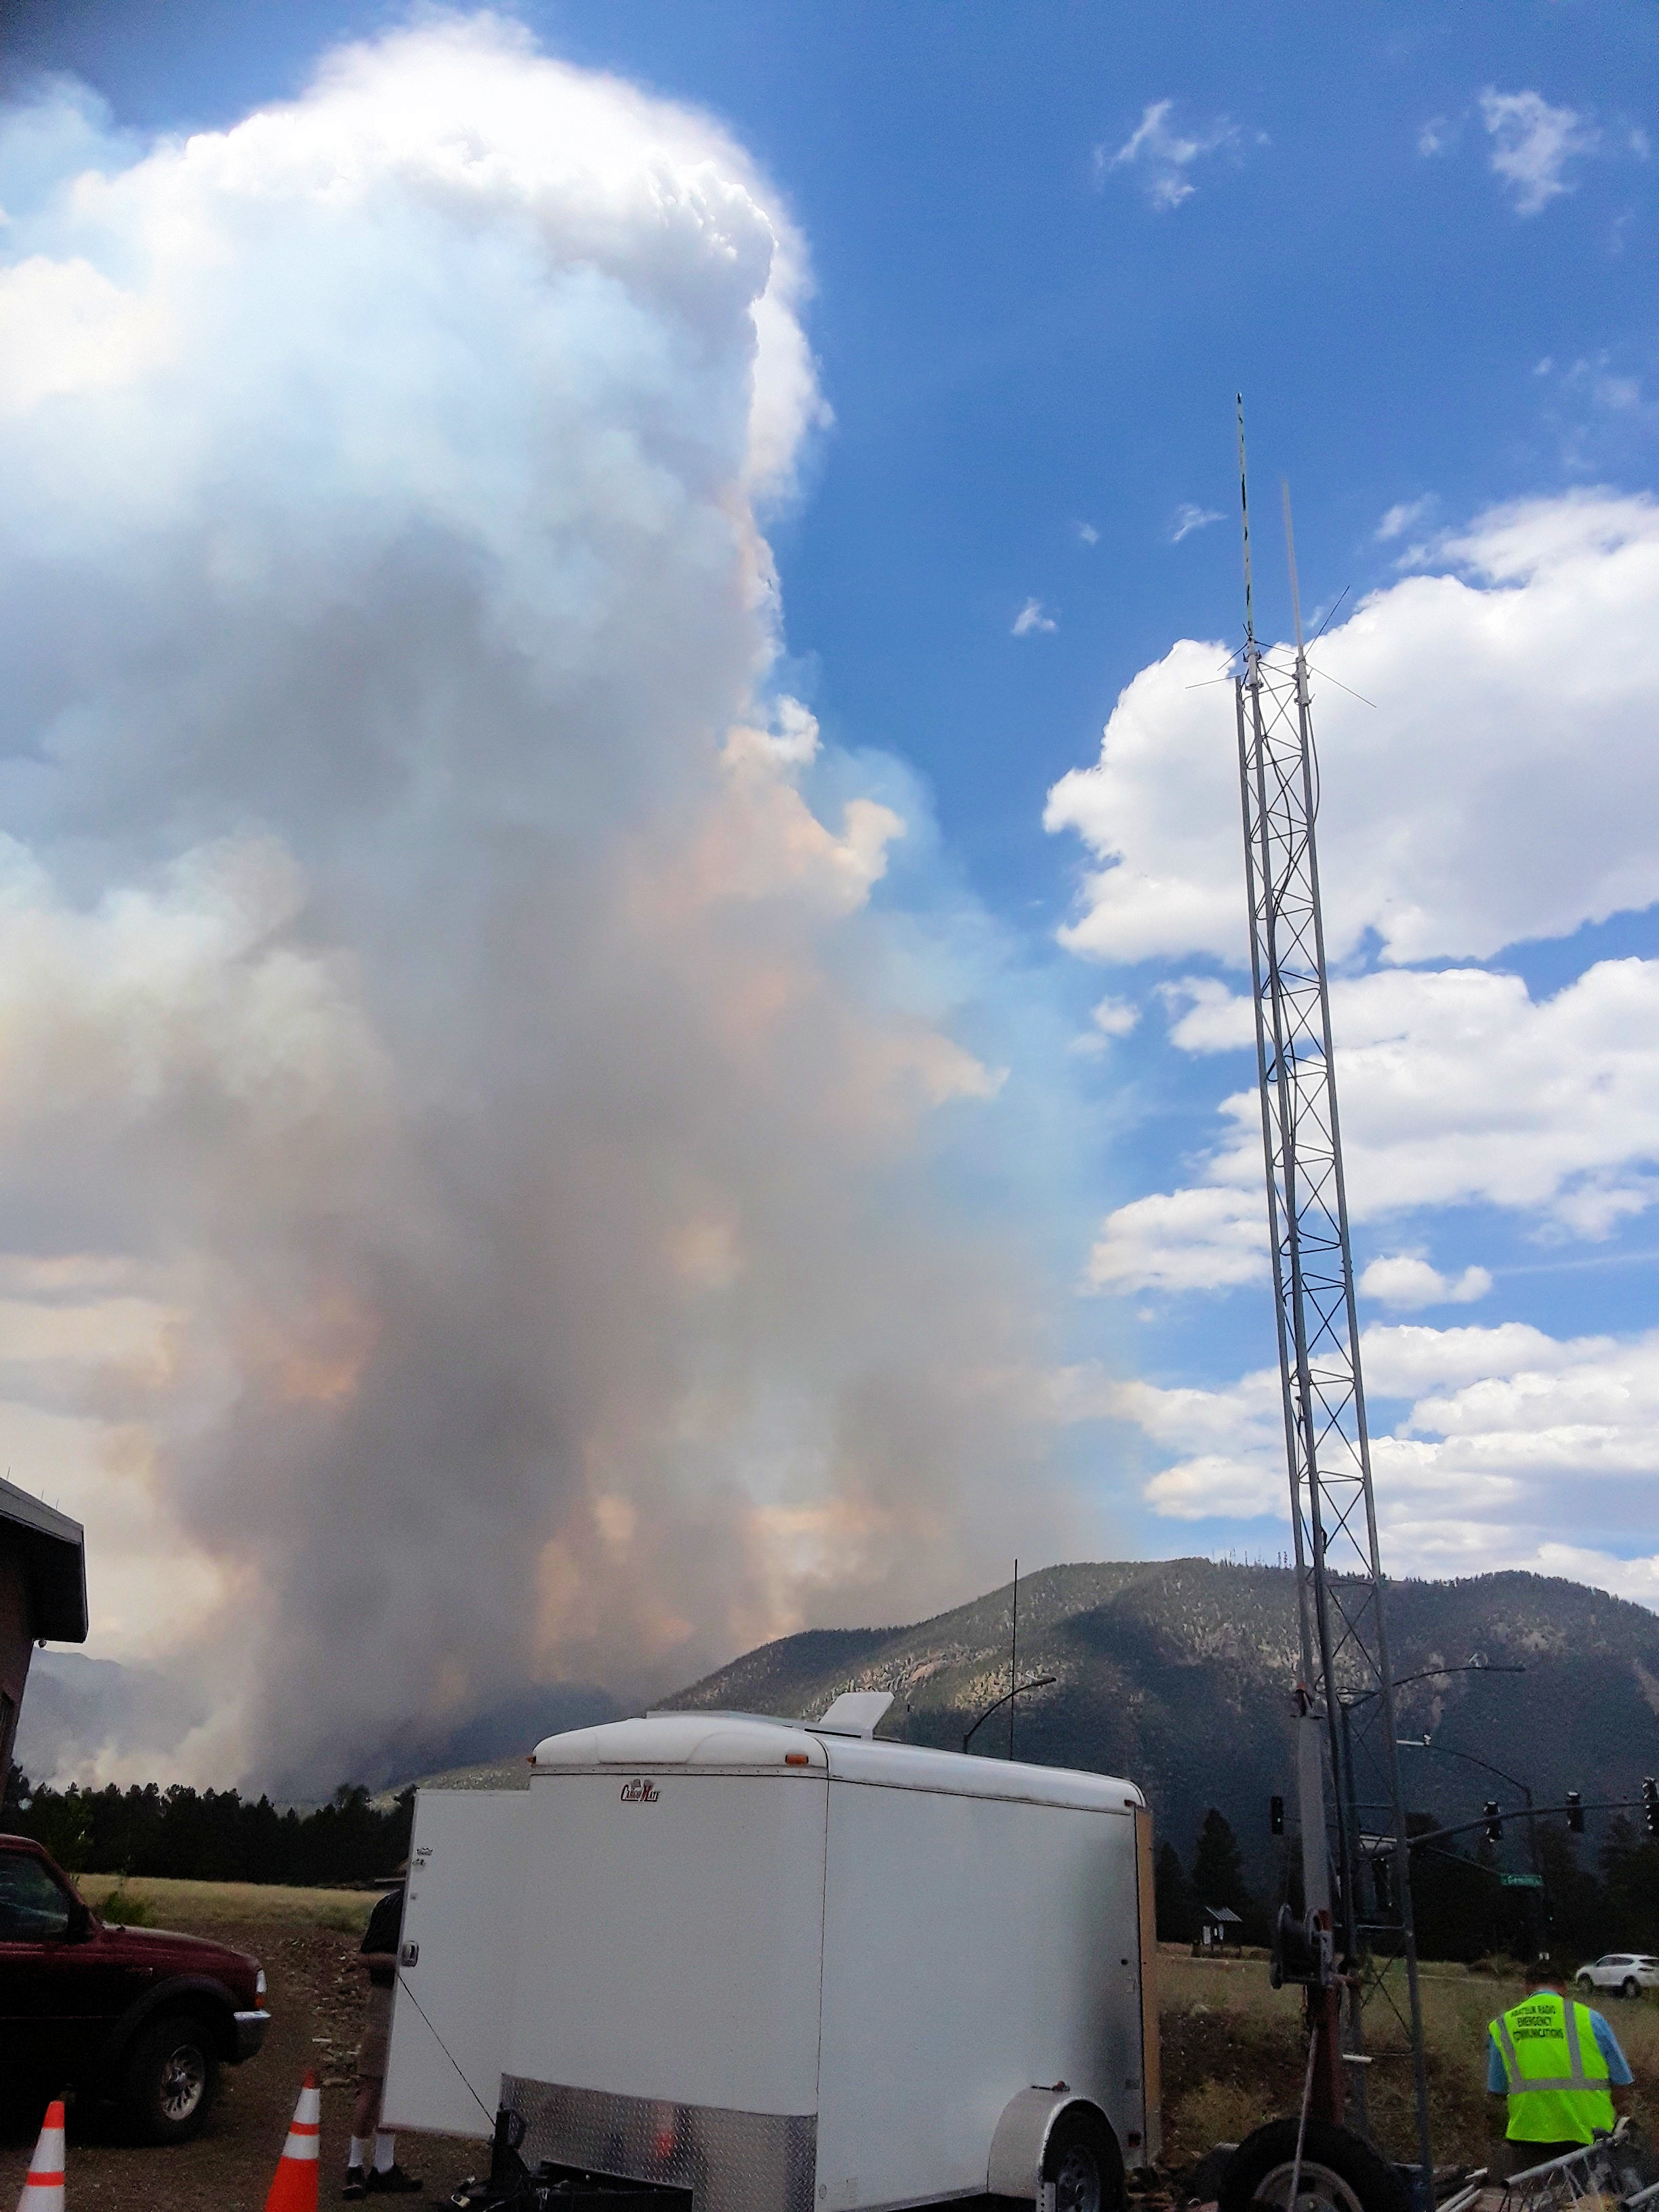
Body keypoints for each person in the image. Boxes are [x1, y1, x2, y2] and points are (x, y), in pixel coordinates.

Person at [1487, 1958, 1633, 2174]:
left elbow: (1497, 2091)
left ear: (1527, 1987)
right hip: (1589, 2138)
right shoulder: (1591, 2019)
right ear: (1564, 1987)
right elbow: (1622, 2084)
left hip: (1526, 2139)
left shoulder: (1501, 2025)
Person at [344, 1862, 422, 2199]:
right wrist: (405, 1962)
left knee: (396, 2088)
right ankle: (354, 2167)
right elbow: (364, 1957)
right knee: (372, 2085)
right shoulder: (391, 1907)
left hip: (414, 2004)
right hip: (387, 2000)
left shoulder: (427, 1910)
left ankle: (384, 2168)